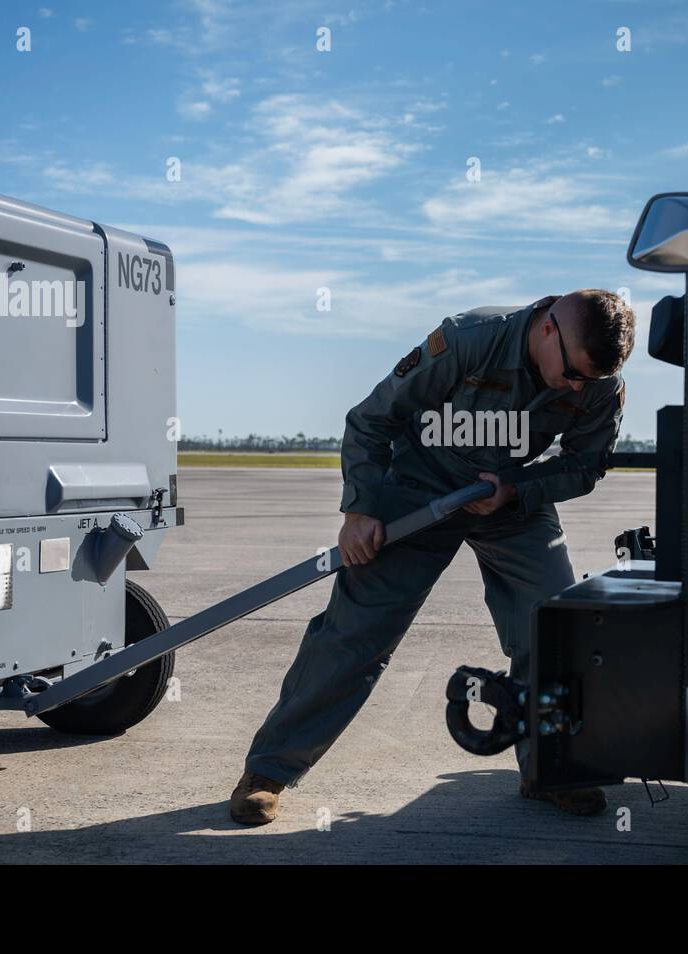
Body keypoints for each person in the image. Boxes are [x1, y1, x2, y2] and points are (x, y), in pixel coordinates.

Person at [230, 289, 636, 825]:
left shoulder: (601, 383)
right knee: (355, 633)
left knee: (555, 623)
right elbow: (371, 420)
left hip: (511, 498)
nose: (578, 387)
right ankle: (268, 771)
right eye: (574, 374)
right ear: (547, 330)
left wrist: (514, 490)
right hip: (417, 491)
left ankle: (552, 769)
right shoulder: (470, 341)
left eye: (589, 380)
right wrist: (360, 509)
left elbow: (585, 464)